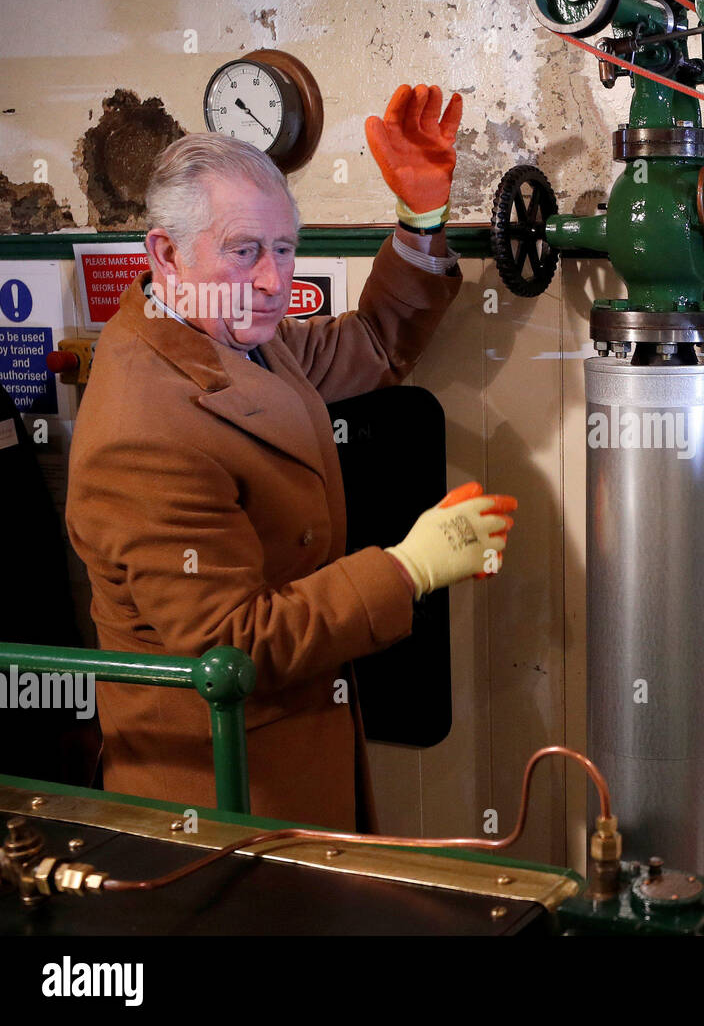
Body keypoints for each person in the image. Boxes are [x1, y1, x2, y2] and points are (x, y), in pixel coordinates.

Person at [65, 84, 516, 829]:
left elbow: (369, 345)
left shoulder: (226, 326)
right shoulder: (142, 433)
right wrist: (410, 568)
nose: (276, 281)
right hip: (220, 793)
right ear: (165, 253)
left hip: (295, 741)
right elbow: (235, 645)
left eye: (284, 248)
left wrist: (421, 219)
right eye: (245, 252)